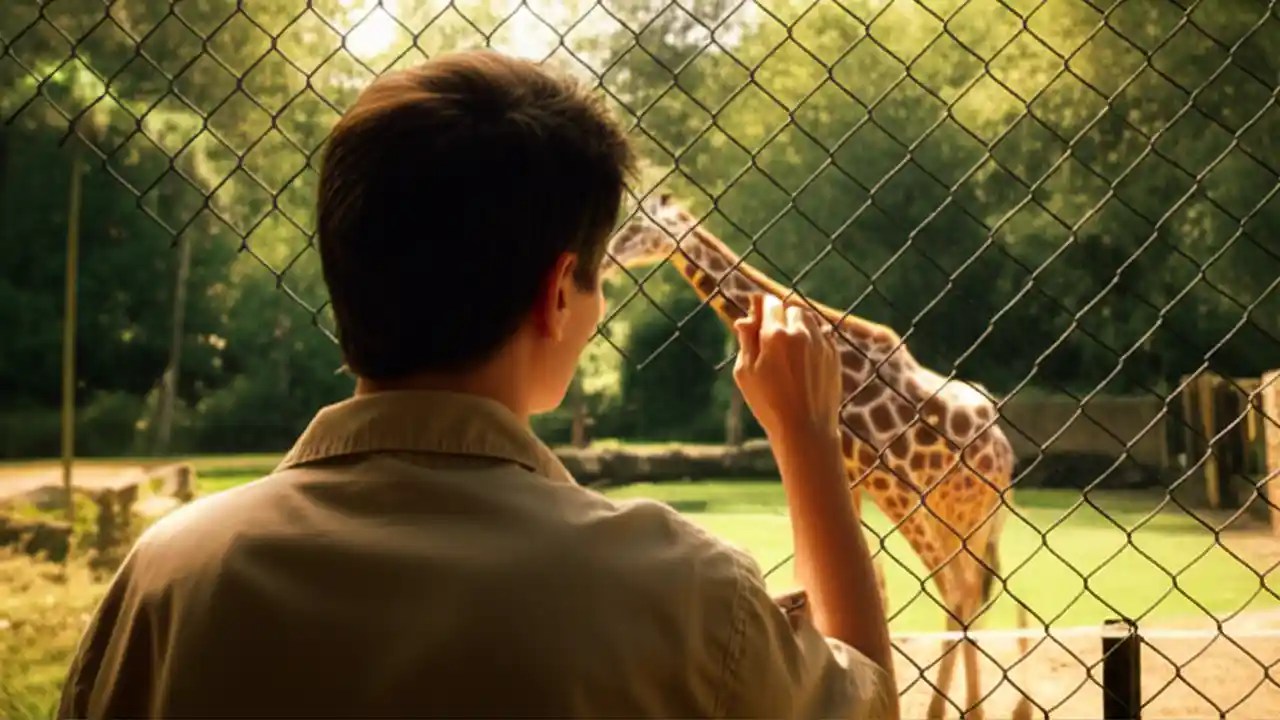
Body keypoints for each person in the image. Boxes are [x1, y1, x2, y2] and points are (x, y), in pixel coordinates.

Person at [58, 50, 898, 719]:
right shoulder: (683, 595)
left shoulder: (168, 580)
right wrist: (810, 437)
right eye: (598, 277)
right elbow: (865, 701)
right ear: (556, 292)